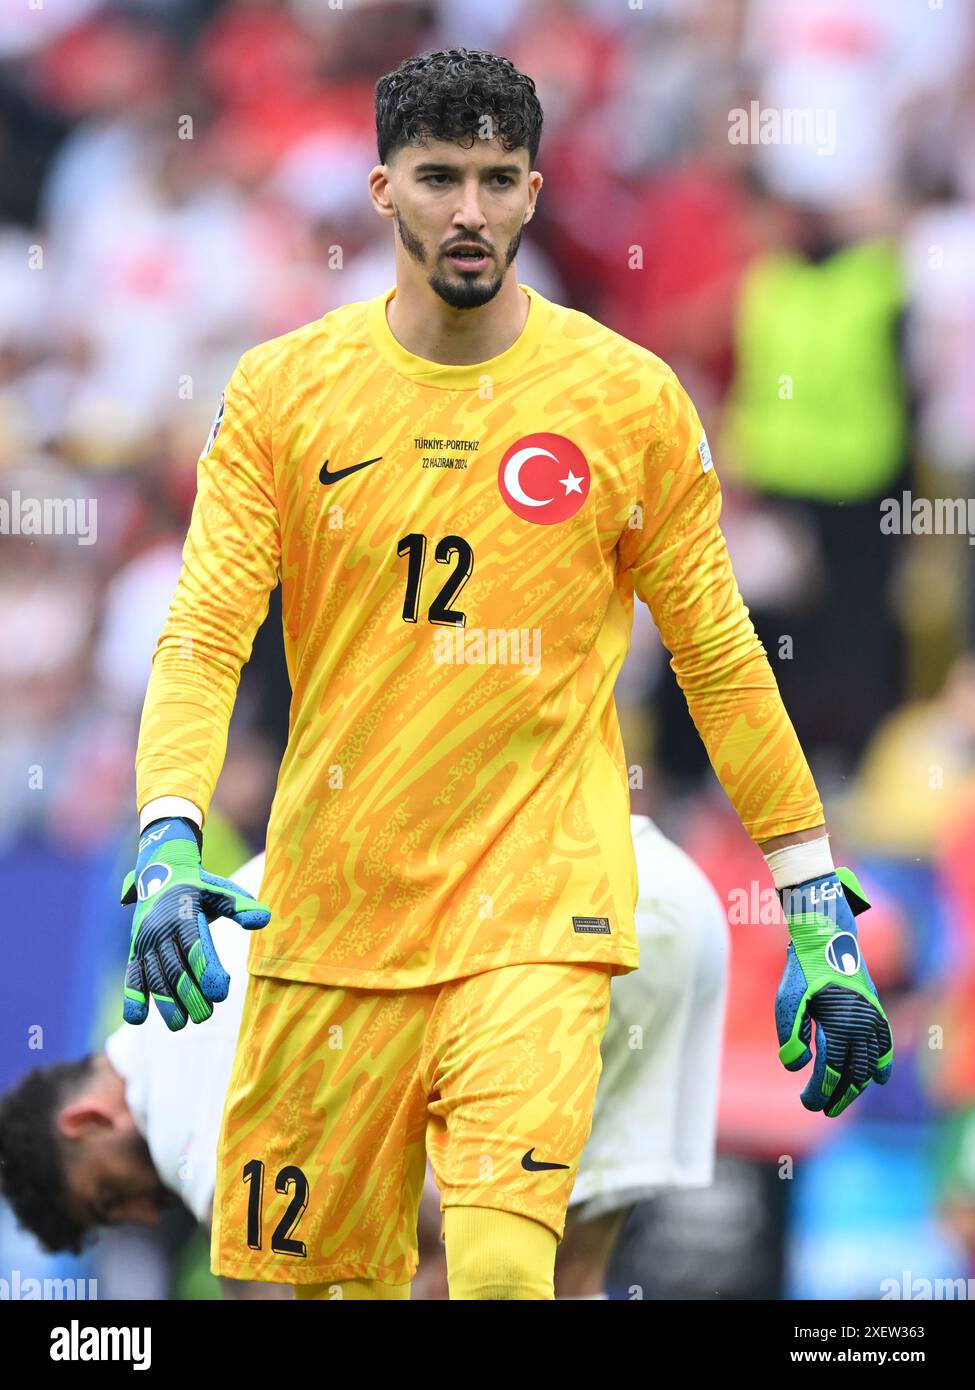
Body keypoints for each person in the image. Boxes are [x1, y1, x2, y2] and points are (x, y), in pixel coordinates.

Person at [120, 49, 892, 1301]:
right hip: (333, 920)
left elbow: (722, 659)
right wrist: (166, 831)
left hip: (540, 912)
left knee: (497, 1275)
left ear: (535, 191)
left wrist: (811, 903)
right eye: (438, 178)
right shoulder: (281, 392)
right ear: (383, 190)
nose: (469, 211)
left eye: (497, 179)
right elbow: (205, 632)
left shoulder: (627, 400)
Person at [0, 820, 726, 1303]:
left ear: (86, 1120)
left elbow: (293, 1271)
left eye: (108, 1199)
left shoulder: (176, 1093)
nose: (140, 1212)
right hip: (655, 887)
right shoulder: (202, 950)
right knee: (564, 1276)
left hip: (547, 929)